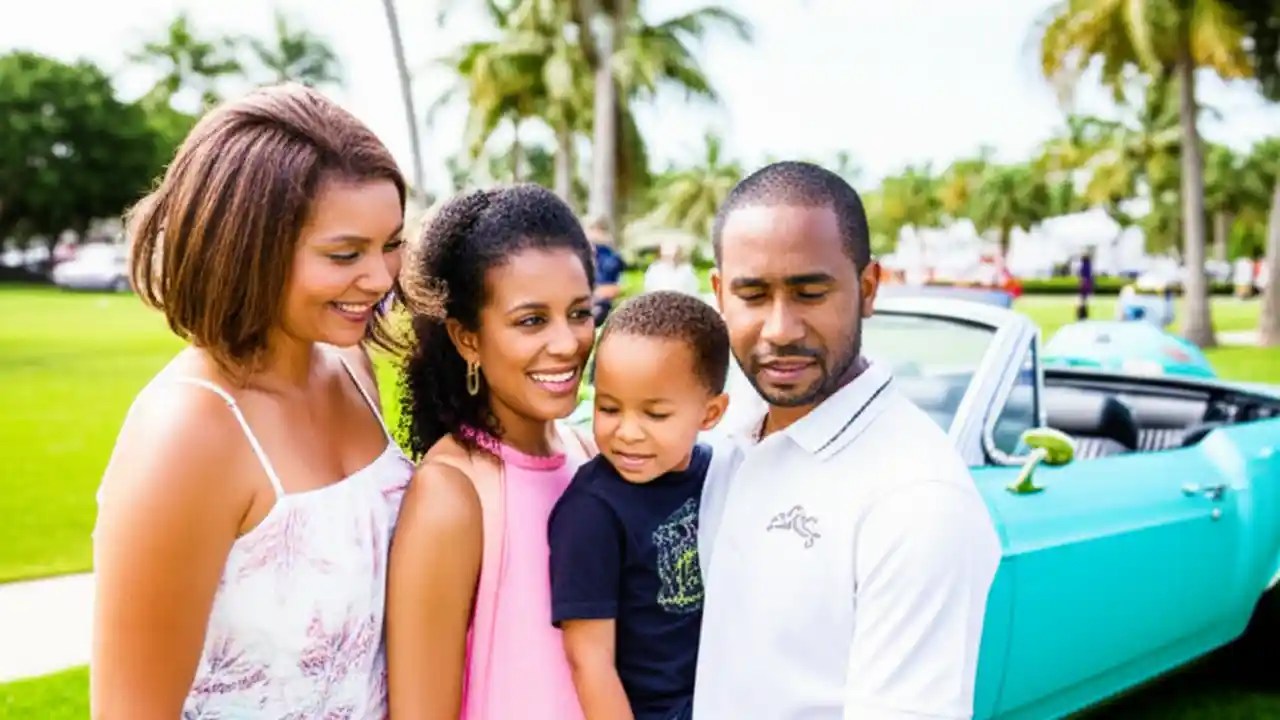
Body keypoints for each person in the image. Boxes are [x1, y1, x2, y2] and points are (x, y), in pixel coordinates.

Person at [91, 83, 412, 718]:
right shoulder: (189, 430)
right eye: (345, 254)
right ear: (247, 247)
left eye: (391, 244)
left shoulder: (350, 369)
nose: (379, 279)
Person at [694, 161, 1002, 720]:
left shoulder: (917, 499)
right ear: (720, 293)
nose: (781, 329)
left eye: (810, 293)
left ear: (867, 288)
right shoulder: (722, 427)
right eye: (753, 295)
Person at [386, 184, 598, 720]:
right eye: (531, 320)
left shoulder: (587, 452)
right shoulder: (452, 495)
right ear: (467, 339)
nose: (567, 342)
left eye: (579, 312)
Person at [548, 291, 731, 720]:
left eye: (656, 414)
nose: (628, 432)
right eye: (609, 408)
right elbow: (589, 661)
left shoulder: (718, 475)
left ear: (711, 414)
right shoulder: (592, 511)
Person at [586, 214, 626, 325]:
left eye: (600, 229)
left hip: (604, 300)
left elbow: (619, 282)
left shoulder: (612, 255)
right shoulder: (581, 253)